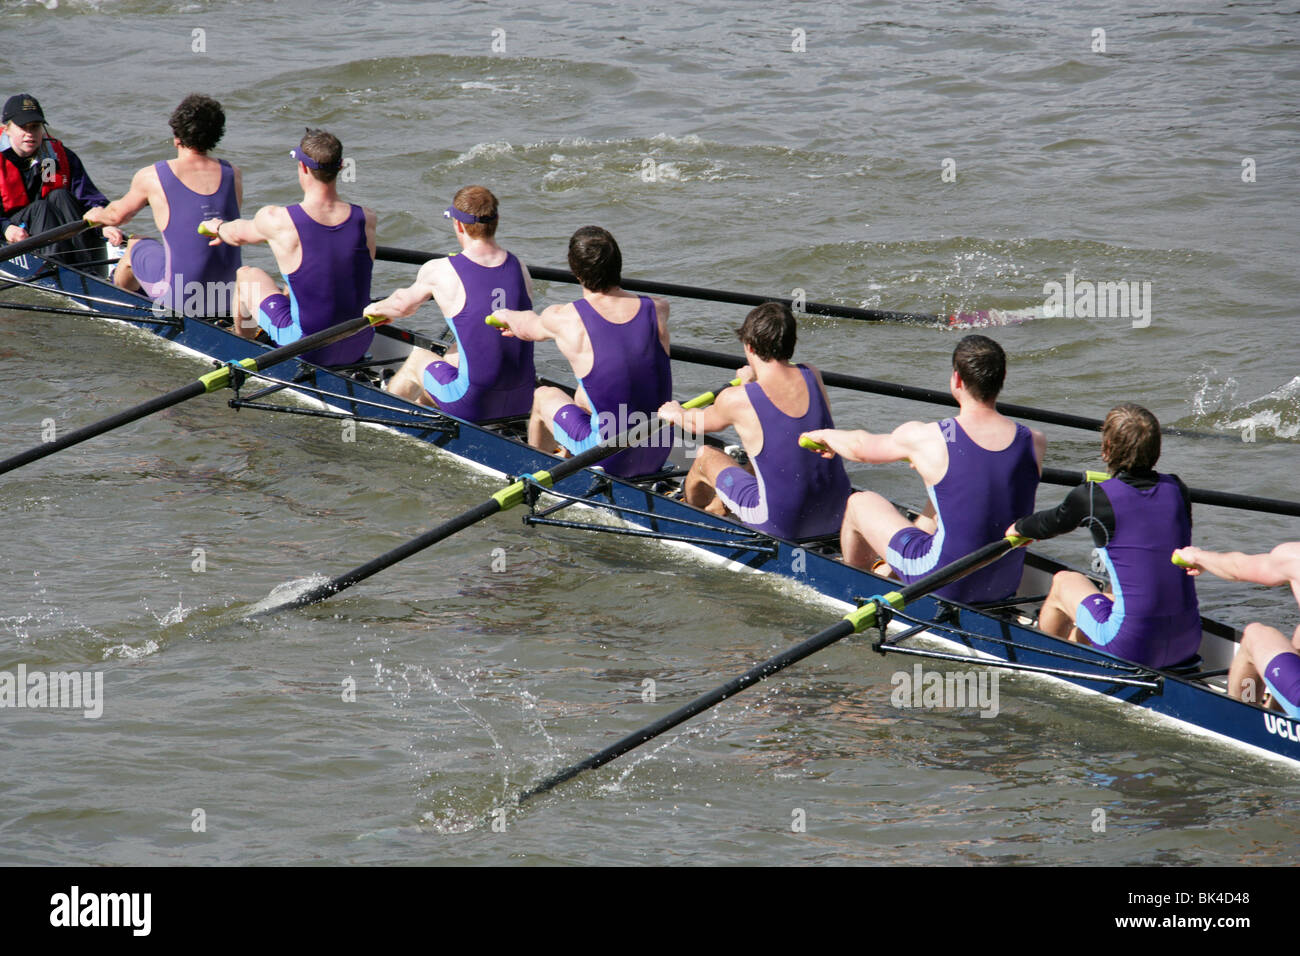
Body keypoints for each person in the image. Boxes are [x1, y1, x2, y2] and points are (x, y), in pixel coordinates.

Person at [803, 334, 1044, 604]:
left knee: (860, 503)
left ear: (956, 380)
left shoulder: (929, 438)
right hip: (1004, 584)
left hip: (941, 582)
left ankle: (856, 589)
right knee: (948, 498)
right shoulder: (1034, 441)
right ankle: (889, 569)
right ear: (1003, 378)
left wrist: (826, 436)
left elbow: (861, 448)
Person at [1009, 403, 1200, 669]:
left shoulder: (1093, 497)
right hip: (1188, 640)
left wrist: (1018, 528)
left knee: (1064, 582)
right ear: (1157, 450)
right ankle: (1083, 648)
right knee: (1117, 587)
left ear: (1107, 448)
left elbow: (1049, 523)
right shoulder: (1178, 489)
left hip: (1134, 646)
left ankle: (1043, 665)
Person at [656, 301, 850, 540]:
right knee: (765, 457)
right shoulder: (812, 374)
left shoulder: (736, 399)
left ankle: (696, 520)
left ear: (749, 347)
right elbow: (778, 423)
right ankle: (719, 506)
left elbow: (696, 424)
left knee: (706, 456)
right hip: (836, 511)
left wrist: (675, 413)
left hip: (780, 523)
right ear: (792, 343)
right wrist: (750, 383)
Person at [492, 226, 672, 478]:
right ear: (618, 264)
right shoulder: (658, 308)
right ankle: (567, 453)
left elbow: (527, 327)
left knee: (544, 396)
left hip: (607, 457)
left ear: (576, 271)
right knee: (582, 396)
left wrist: (505, 315)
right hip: (660, 447)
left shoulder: (565, 318)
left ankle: (538, 475)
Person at [200, 128, 376, 368]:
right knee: (302, 285)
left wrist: (217, 227)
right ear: (341, 166)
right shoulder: (366, 218)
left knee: (247, 275)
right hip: (361, 341)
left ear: (302, 168)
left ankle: (243, 347)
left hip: (307, 349)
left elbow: (236, 234)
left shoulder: (277, 220)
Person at [370, 186, 535, 421]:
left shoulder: (440, 270)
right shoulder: (520, 267)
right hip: (523, 400)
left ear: (458, 225)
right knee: (455, 352)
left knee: (418, 358)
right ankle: (427, 403)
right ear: (496, 220)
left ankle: (381, 417)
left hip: (474, 403)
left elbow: (401, 307)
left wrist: (373, 309)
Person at [84, 94, 242, 316]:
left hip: (180, 300)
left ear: (176, 136)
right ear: (216, 135)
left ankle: (118, 303)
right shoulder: (233, 174)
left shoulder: (152, 176)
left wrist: (96, 214)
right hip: (227, 295)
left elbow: (116, 217)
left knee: (135, 243)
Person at [1173, 542, 1300, 713]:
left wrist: (1197, 556)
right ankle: (1278, 713)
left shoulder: (1294, 556)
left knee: (1256, 635)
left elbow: (1237, 567)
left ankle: (1245, 715)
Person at [0, 93, 123, 264]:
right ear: (6, 129)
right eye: (23, 127)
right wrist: (5, 229)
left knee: (60, 195)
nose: (30, 134)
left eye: (35, 127)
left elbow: (89, 197)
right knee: (40, 208)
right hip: (13, 230)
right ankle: (53, 266)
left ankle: (86, 266)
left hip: (45, 227)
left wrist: (106, 222)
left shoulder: (54, 157)